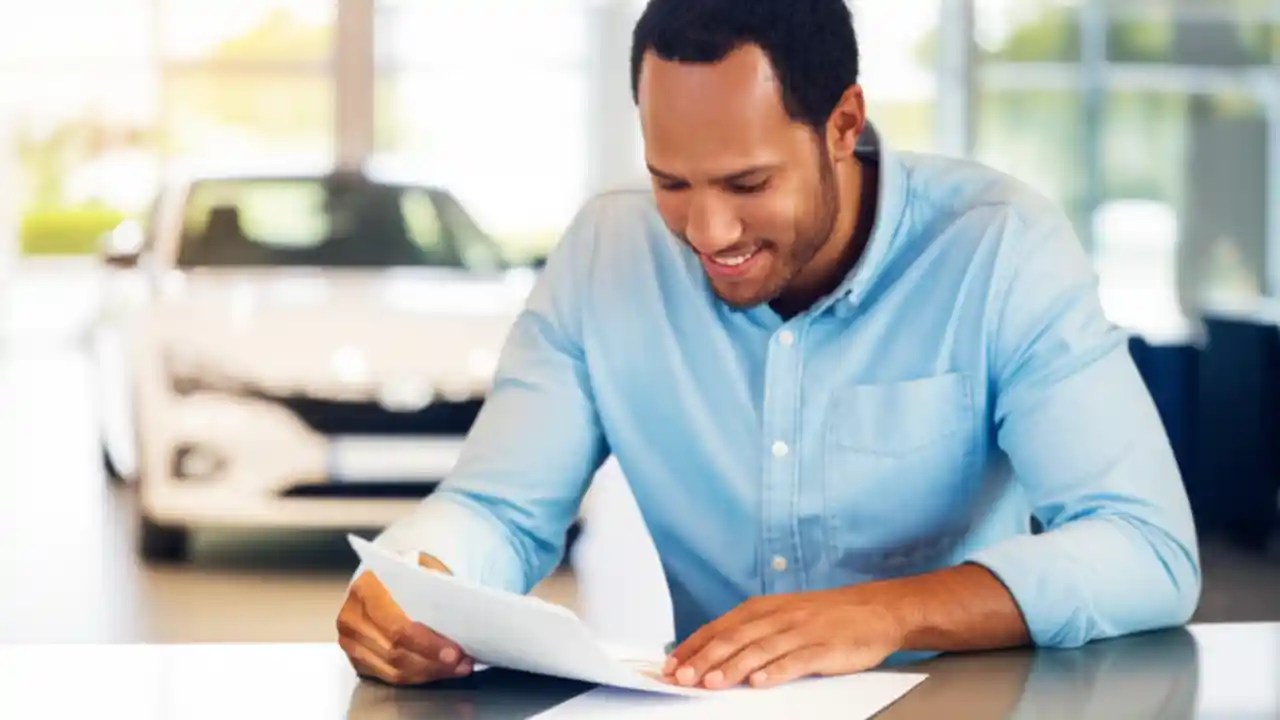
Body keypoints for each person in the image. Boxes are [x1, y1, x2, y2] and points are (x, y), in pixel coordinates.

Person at [336, 0, 1200, 691]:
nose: (707, 231)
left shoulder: (1000, 247)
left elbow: (1146, 548)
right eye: (670, 182)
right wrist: (417, 581)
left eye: (748, 183)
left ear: (842, 124)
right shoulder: (607, 255)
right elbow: (498, 509)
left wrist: (887, 614)